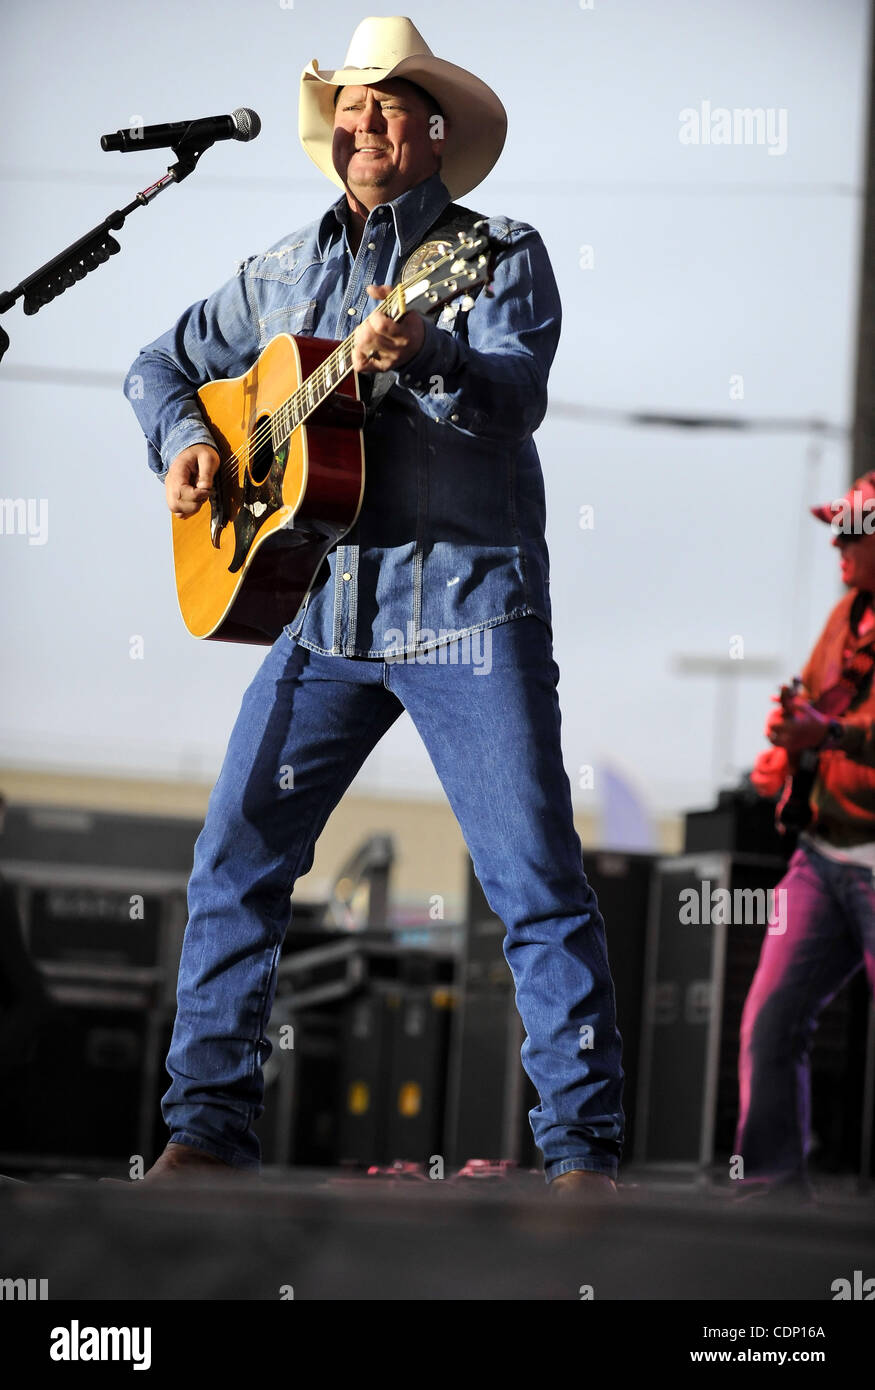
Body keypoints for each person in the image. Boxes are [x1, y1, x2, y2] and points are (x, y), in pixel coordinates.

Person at [124, 16, 624, 1194]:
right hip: (317, 613)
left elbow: (511, 401)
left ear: (435, 133)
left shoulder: (495, 251)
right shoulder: (284, 272)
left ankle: (582, 1162)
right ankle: (206, 1136)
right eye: (350, 107)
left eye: (392, 105)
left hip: (464, 608)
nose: (366, 124)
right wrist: (190, 443)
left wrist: (428, 356)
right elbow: (156, 363)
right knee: (236, 855)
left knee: (533, 880)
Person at [739, 472, 875, 1197]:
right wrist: (784, 753)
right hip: (822, 858)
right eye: (837, 526)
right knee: (769, 1023)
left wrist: (823, 732)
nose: (838, 542)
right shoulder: (841, 615)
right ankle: (768, 1195)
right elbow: (814, 711)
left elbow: (845, 728)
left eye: (852, 530)